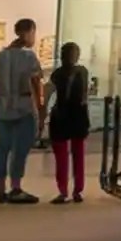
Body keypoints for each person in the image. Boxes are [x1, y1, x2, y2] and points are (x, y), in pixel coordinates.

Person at [0, 18, 45, 204]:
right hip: (23, 109)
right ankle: (16, 187)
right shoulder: (28, 56)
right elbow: (36, 83)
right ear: (29, 31)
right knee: (20, 149)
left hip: (2, 109)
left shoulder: (2, 55)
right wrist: (40, 110)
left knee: (3, 148)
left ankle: (0, 187)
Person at [48, 42, 90, 204]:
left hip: (61, 116)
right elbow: (84, 95)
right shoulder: (81, 72)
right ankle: (76, 190)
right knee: (77, 155)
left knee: (63, 156)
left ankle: (64, 190)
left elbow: (51, 92)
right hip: (77, 116)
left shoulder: (57, 74)